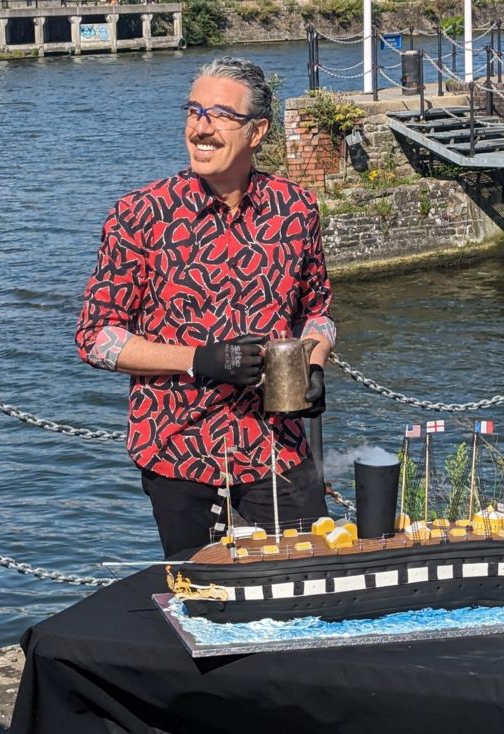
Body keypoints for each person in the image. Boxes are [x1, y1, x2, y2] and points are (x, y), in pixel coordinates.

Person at [76, 57, 335, 558]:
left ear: (257, 132)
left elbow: (317, 311)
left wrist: (315, 362)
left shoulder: (296, 209)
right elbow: (97, 337)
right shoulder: (140, 216)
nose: (201, 125)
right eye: (194, 111)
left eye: (219, 114)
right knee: (205, 600)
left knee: (314, 577)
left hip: (275, 444)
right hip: (178, 446)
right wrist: (199, 360)